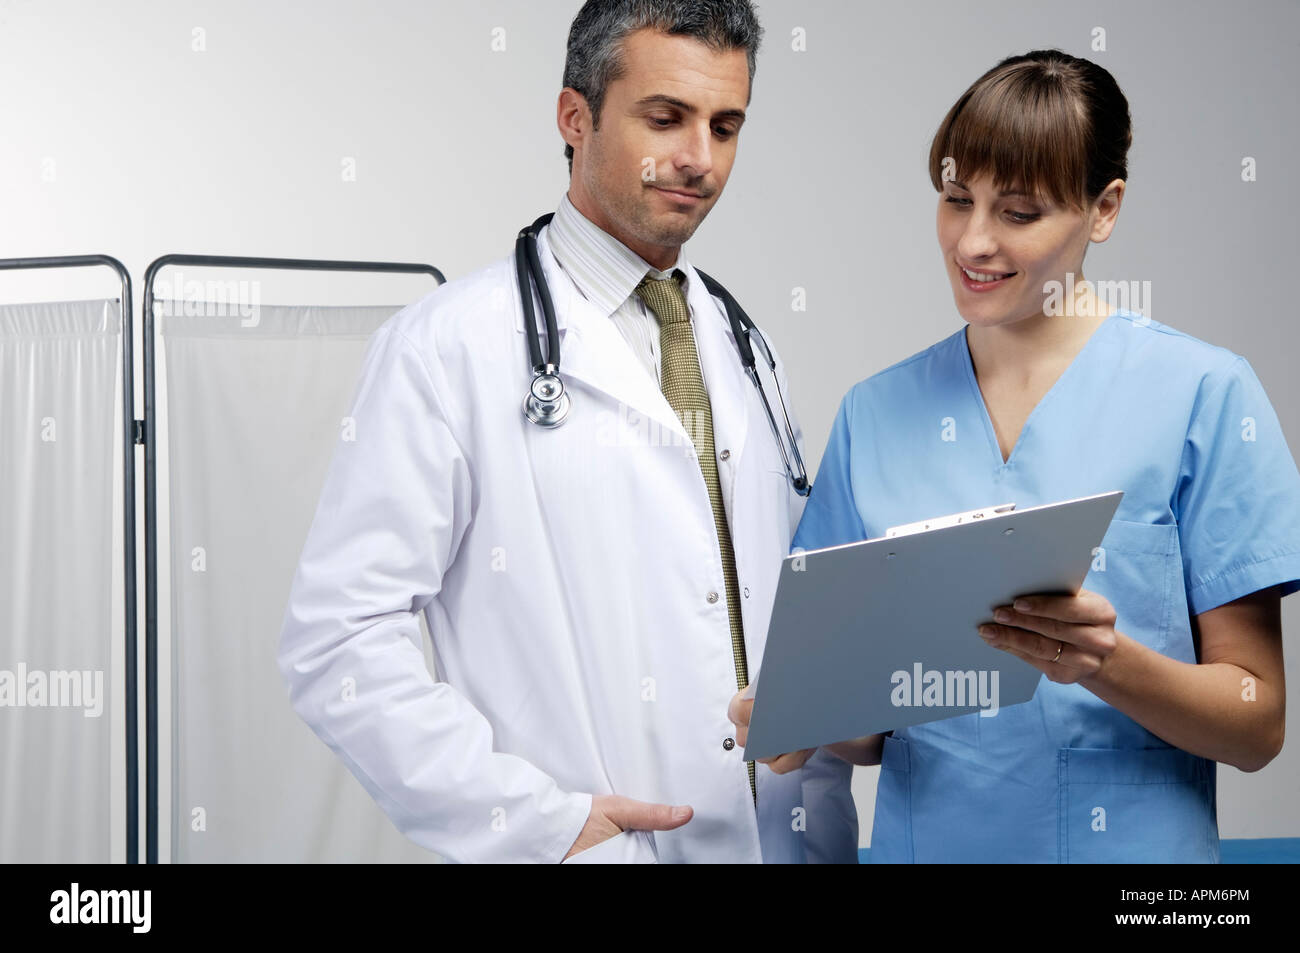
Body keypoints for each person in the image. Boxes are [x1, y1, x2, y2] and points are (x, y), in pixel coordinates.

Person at [276, 0, 857, 864]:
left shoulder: (745, 347)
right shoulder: (448, 348)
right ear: (574, 117)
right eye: (665, 118)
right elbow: (340, 641)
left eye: (725, 125)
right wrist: (542, 825)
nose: (699, 158)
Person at [729, 49, 1300, 862]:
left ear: (1104, 209)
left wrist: (1104, 662)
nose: (974, 240)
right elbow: (876, 730)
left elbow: (1256, 723)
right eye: (957, 199)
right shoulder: (876, 414)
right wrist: (808, 716)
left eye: (1021, 212)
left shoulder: (1203, 396)